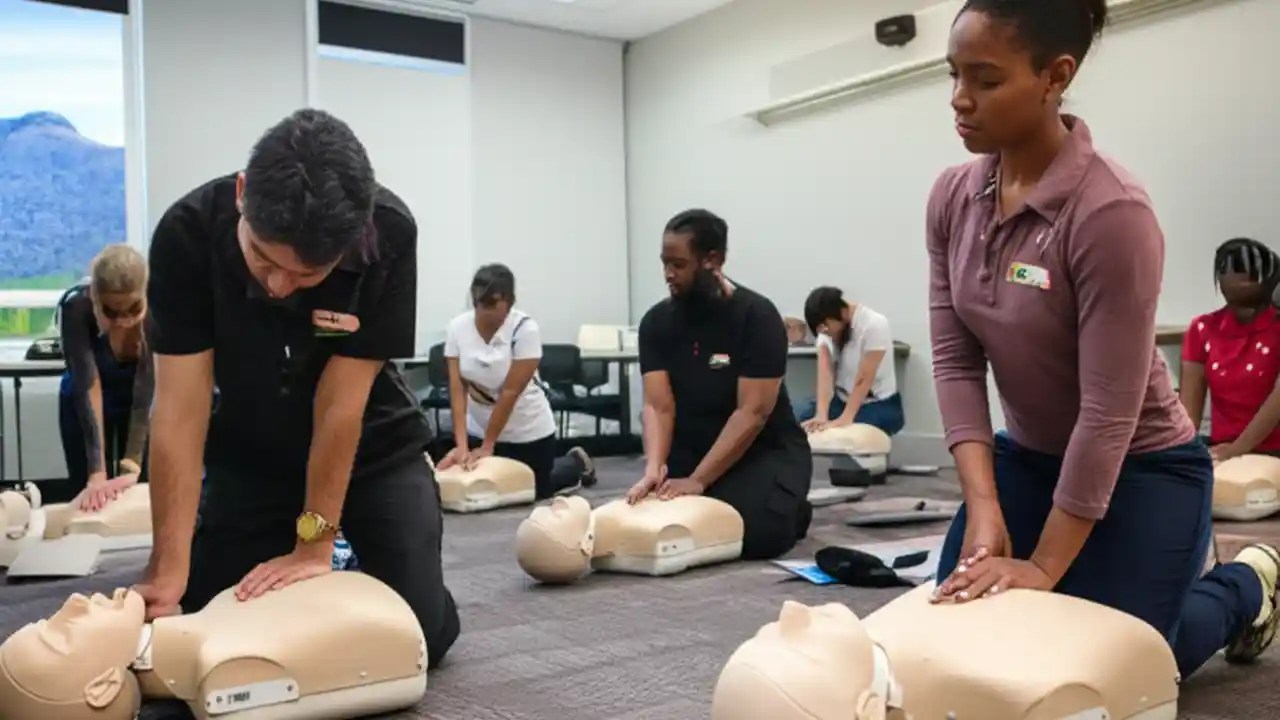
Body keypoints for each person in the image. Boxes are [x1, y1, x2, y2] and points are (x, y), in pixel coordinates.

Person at [926, 0, 1278, 681]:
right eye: (953, 74)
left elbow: (1108, 413)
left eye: (986, 79)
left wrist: (1042, 567)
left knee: (1116, 668)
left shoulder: (1111, 213)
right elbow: (955, 360)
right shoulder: (951, 197)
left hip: (1145, 467)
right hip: (1029, 460)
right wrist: (984, 509)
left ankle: (1246, 585)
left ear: (1055, 76)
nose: (960, 99)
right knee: (967, 639)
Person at [133, 109, 460, 668]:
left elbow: (340, 407)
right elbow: (181, 413)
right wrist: (167, 569)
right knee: (204, 609)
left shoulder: (389, 231)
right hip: (253, 454)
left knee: (419, 633)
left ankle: (350, 556)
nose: (281, 286)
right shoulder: (185, 235)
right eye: (263, 259)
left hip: (373, 451)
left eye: (308, 275)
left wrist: (313, 545)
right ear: (242, 193)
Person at [626, 209, 813, 560]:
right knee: (660, 518)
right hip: (694, 448)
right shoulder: (656, 323)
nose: (668, 274)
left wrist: (698, 480)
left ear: (712, 260)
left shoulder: (757, 317)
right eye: (664, 263)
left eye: (678, 264)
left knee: (757, 535)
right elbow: (658, 405)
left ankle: (793, 509)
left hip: (762, 451)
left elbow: (753, 412)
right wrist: (654, 468)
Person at [438, 262, 596, 499]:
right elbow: (457, 386)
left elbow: (510, 392)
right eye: (479, 303)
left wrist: (489, 445)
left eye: (492, 303)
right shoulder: (457, 328)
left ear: (509, 301)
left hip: (526, 431)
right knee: (485, 491)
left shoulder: (525, 330)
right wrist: (461, 445)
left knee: (532, 491)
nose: (484, 311)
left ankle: (575, 463)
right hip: (478, 428)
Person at [57, 244, 154, 512]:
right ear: (94, 297)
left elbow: (146, 388)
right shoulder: (76, 307)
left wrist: (132, 465)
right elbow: (88, 385)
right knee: (90, 490)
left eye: (133, 309)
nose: (123, 321)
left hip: (140, 397)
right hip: (85, 397)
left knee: (141, 489)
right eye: (111, 312)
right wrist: (96, 473)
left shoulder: (158, 305)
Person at [1180, 238, 1280, 462]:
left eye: (1243, 268)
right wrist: (1184, 454)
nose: (1232, 276)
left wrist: (1237, 450)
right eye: (1224, 269)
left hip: (1271, 452)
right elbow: (1189, 411)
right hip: (1220, 448)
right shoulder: (1203, 328)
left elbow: (1277, 403)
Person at [795, 286, 904, 436]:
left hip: (877, 404)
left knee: (844, 431)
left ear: (840, 313)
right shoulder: (827, 331)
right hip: (841, 400)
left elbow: (864, 378)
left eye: (826, 327)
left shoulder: (874, 324)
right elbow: (825, 373)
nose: (826, 333)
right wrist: (821, 414)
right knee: (802, 422)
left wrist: (846, 418)